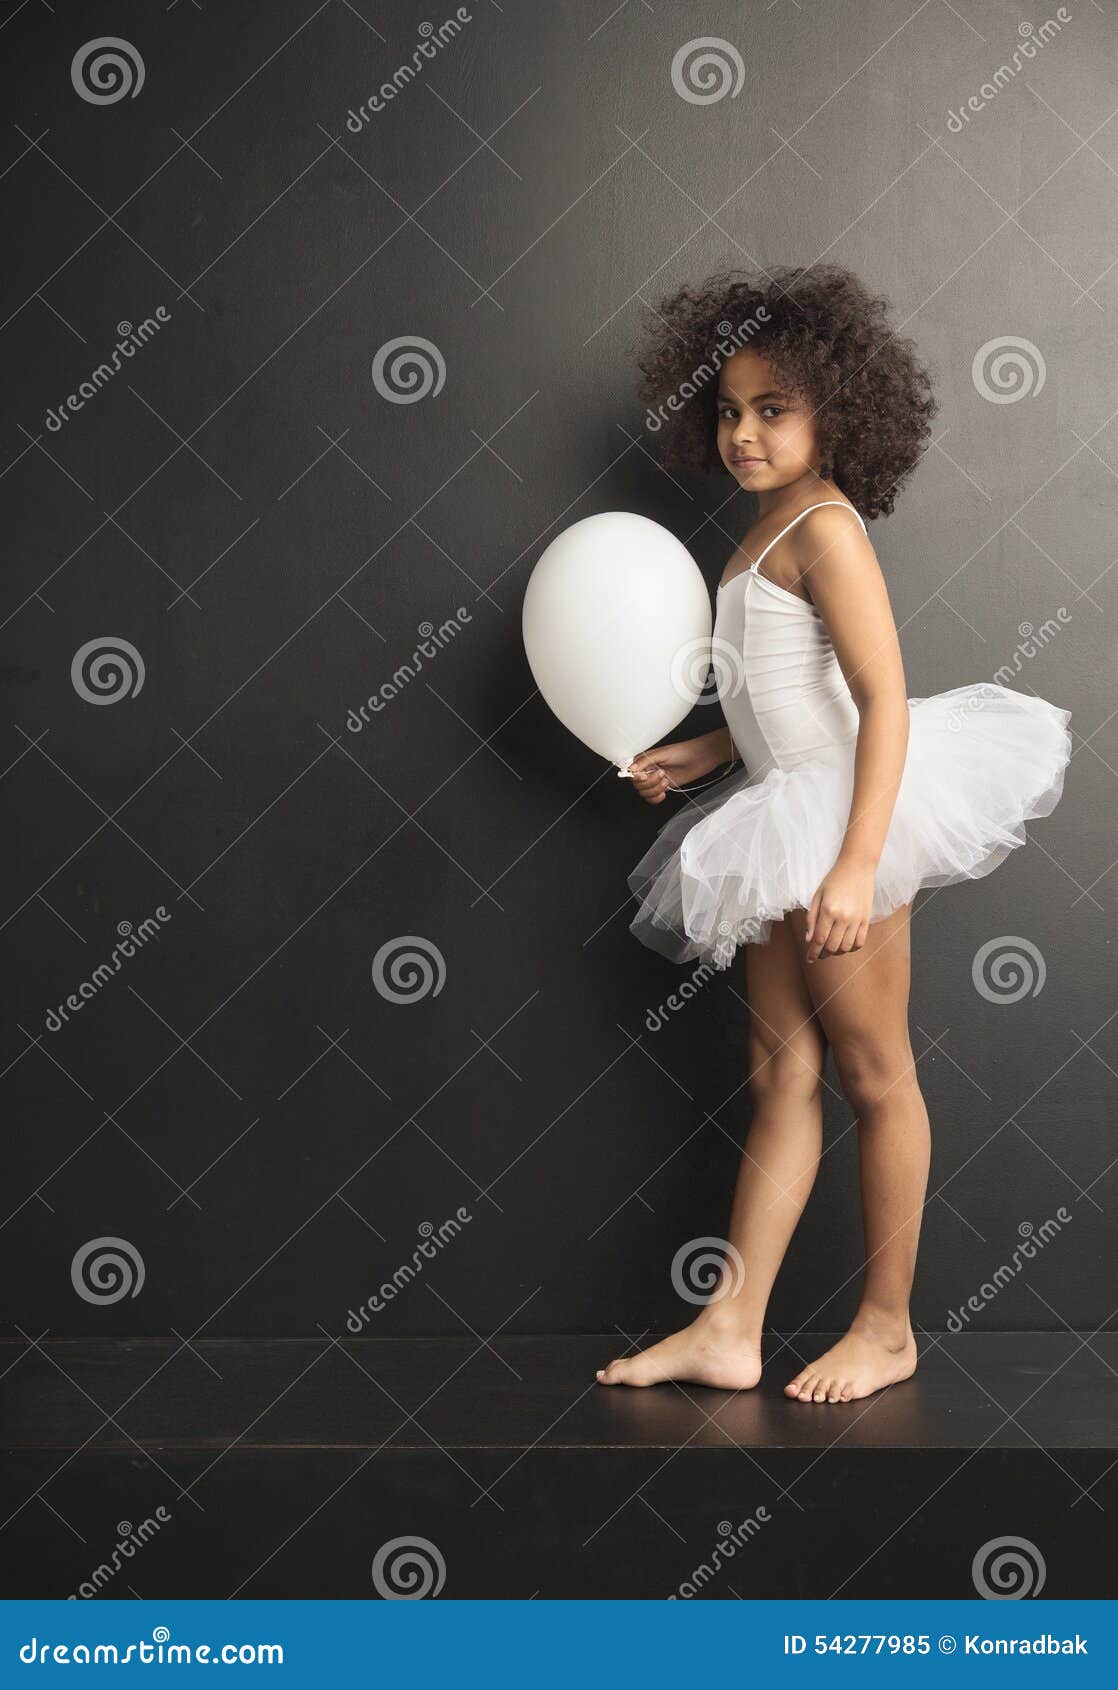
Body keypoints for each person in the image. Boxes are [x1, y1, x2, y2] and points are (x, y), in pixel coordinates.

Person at [597, 265, 1072, 1403]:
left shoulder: (823, 528)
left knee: (871, 1073)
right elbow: (783, 694)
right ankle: (730, 1325)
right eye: (728, 410)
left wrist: (857, 862)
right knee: (781, 1074)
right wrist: (706, 752)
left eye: (773, 410)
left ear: (835, 414)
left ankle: (887, 1325)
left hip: (842, 818)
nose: (744, 433)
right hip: (778, 811)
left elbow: (881, 696)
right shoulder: (758, 535)